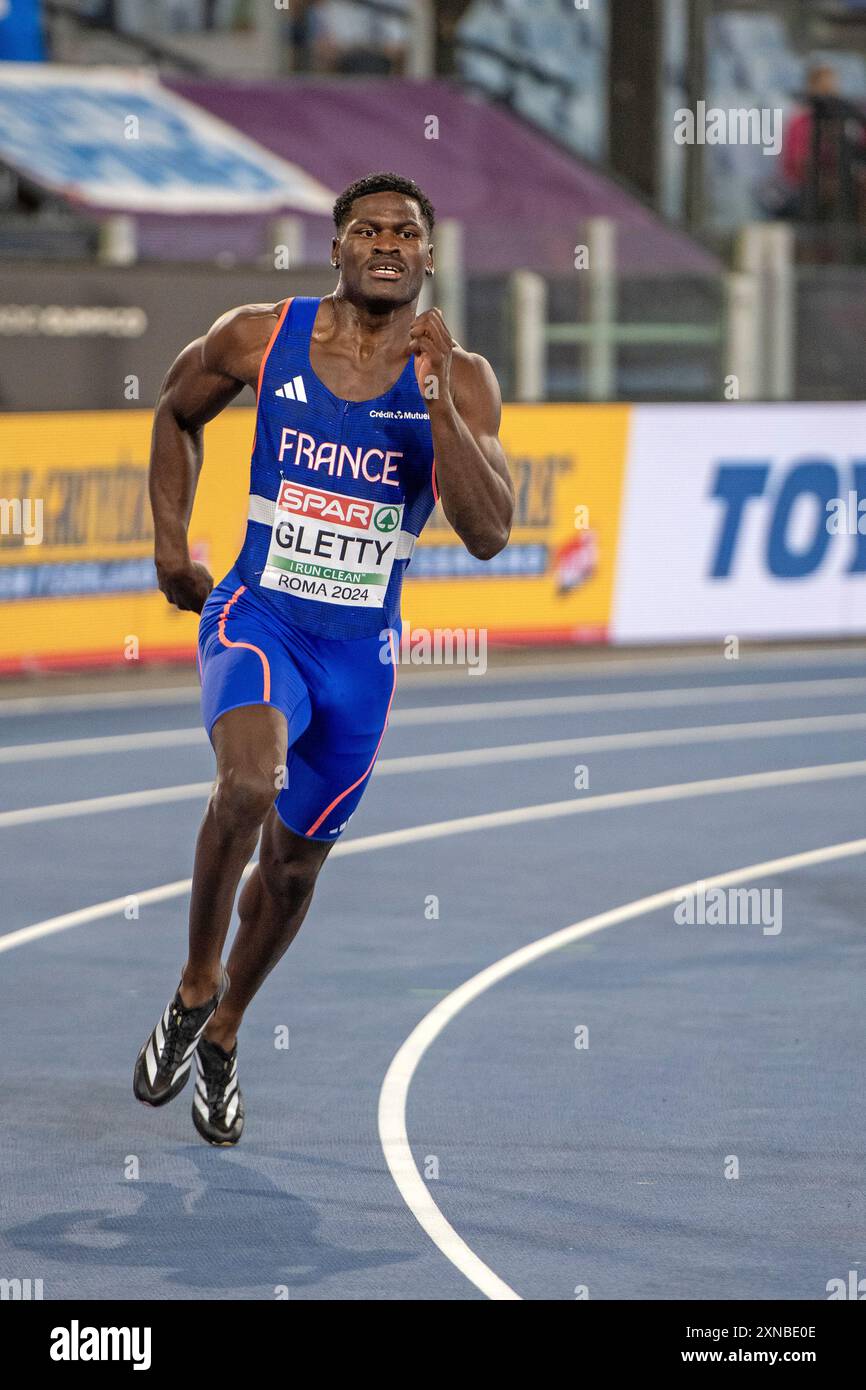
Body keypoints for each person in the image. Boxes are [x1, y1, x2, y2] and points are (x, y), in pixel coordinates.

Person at [133, 171, 514, 1144]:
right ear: (337, 245)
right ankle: (191, 982)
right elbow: (176, 411)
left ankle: (221, 1034)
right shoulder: (263, 334)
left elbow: (486, 532)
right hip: (259, 618)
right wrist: (172, 546)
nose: (387, 244)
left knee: (295, 871)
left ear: (428, 256)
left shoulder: (461, 377)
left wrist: (433, 405)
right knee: (247, 784)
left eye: (406, 233)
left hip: (359, 662)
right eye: (368, 229)